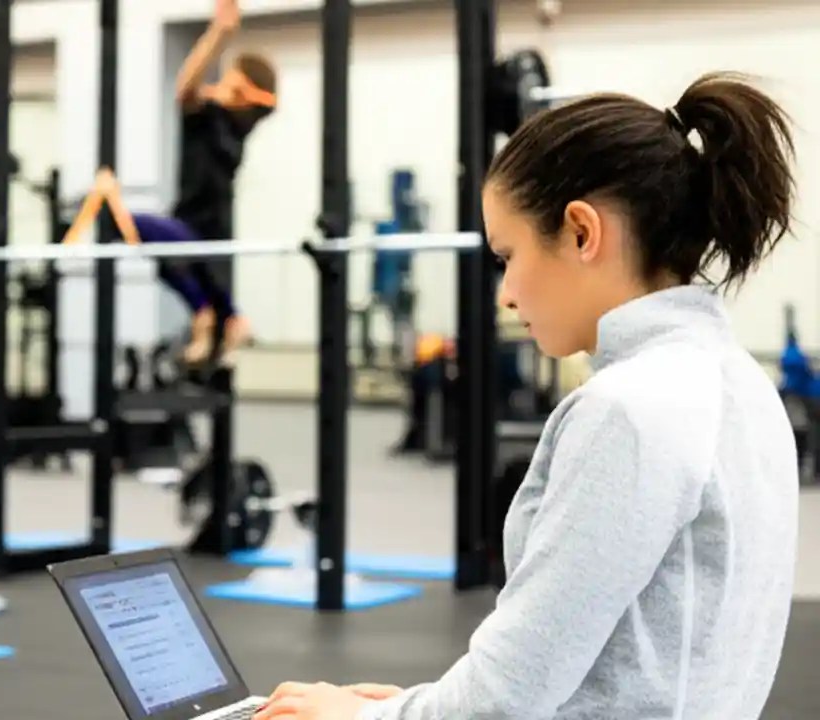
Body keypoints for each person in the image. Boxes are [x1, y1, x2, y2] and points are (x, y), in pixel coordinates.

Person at [253, 71, 800, 720]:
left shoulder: (628, 410)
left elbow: (508, 699)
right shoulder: (744, 384)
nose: (505, 293)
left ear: (580, 232)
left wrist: (370, 718)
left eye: (508, 256)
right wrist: (410, 707)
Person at [61, 0, 277, 364]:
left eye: (231, 81)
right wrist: (218, 35)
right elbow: (186, 87)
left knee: (178, 253)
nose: (222, 84)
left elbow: (266, 100)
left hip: (212, 222)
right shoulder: (204, 114)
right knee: (146, 240)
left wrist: (229, 61)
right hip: (187, 217)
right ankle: (215, 318)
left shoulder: (238, 124)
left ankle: (218, 321)